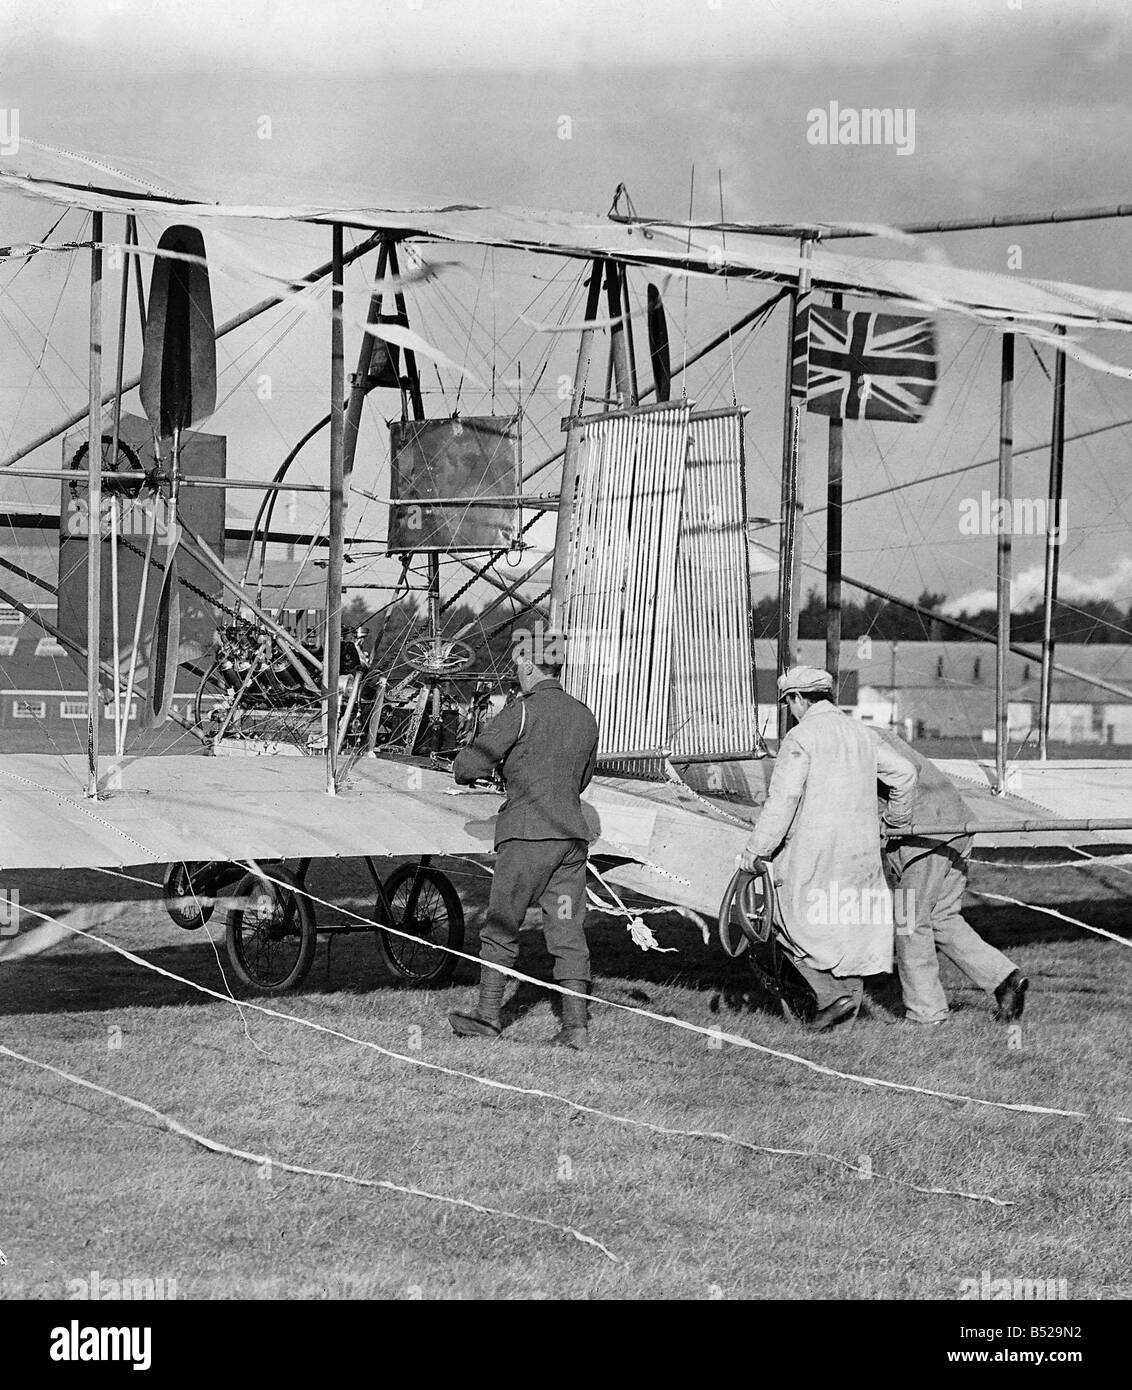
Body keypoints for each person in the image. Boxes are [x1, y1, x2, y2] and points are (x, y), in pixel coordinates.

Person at [737, 665, 918, 1031]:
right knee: (850, 933)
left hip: (813, 852)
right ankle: (841, 1027)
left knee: (782, 924)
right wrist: (895, 824)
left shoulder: (802, 737)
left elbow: (782, 800)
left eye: (790, 702)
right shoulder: (861, 733)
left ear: (799, 699)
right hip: (861, 854)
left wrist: (756, 851)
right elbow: (905, 774)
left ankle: (828, 996)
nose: (791, 709)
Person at [448, 636, 599, 1049]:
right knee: (568, 930)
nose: (517, 671)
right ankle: (575, 1027)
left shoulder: (521, 711)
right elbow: (582, 779)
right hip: (571, 843)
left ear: (530, 666)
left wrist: (466, 765)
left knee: (501, 925)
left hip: (526, 837)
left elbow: (469, 764)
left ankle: (488, 1015)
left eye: (519, 664)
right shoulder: (585, 716)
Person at [873, 727, 1028, 1025]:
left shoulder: (847, 743)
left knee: (909, 922)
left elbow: (904, 774)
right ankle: (1005, 979)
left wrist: (892, 822)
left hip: (924, 838)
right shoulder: (873, 733)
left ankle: (926, 1014)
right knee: (942, 916)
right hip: (959, 827)